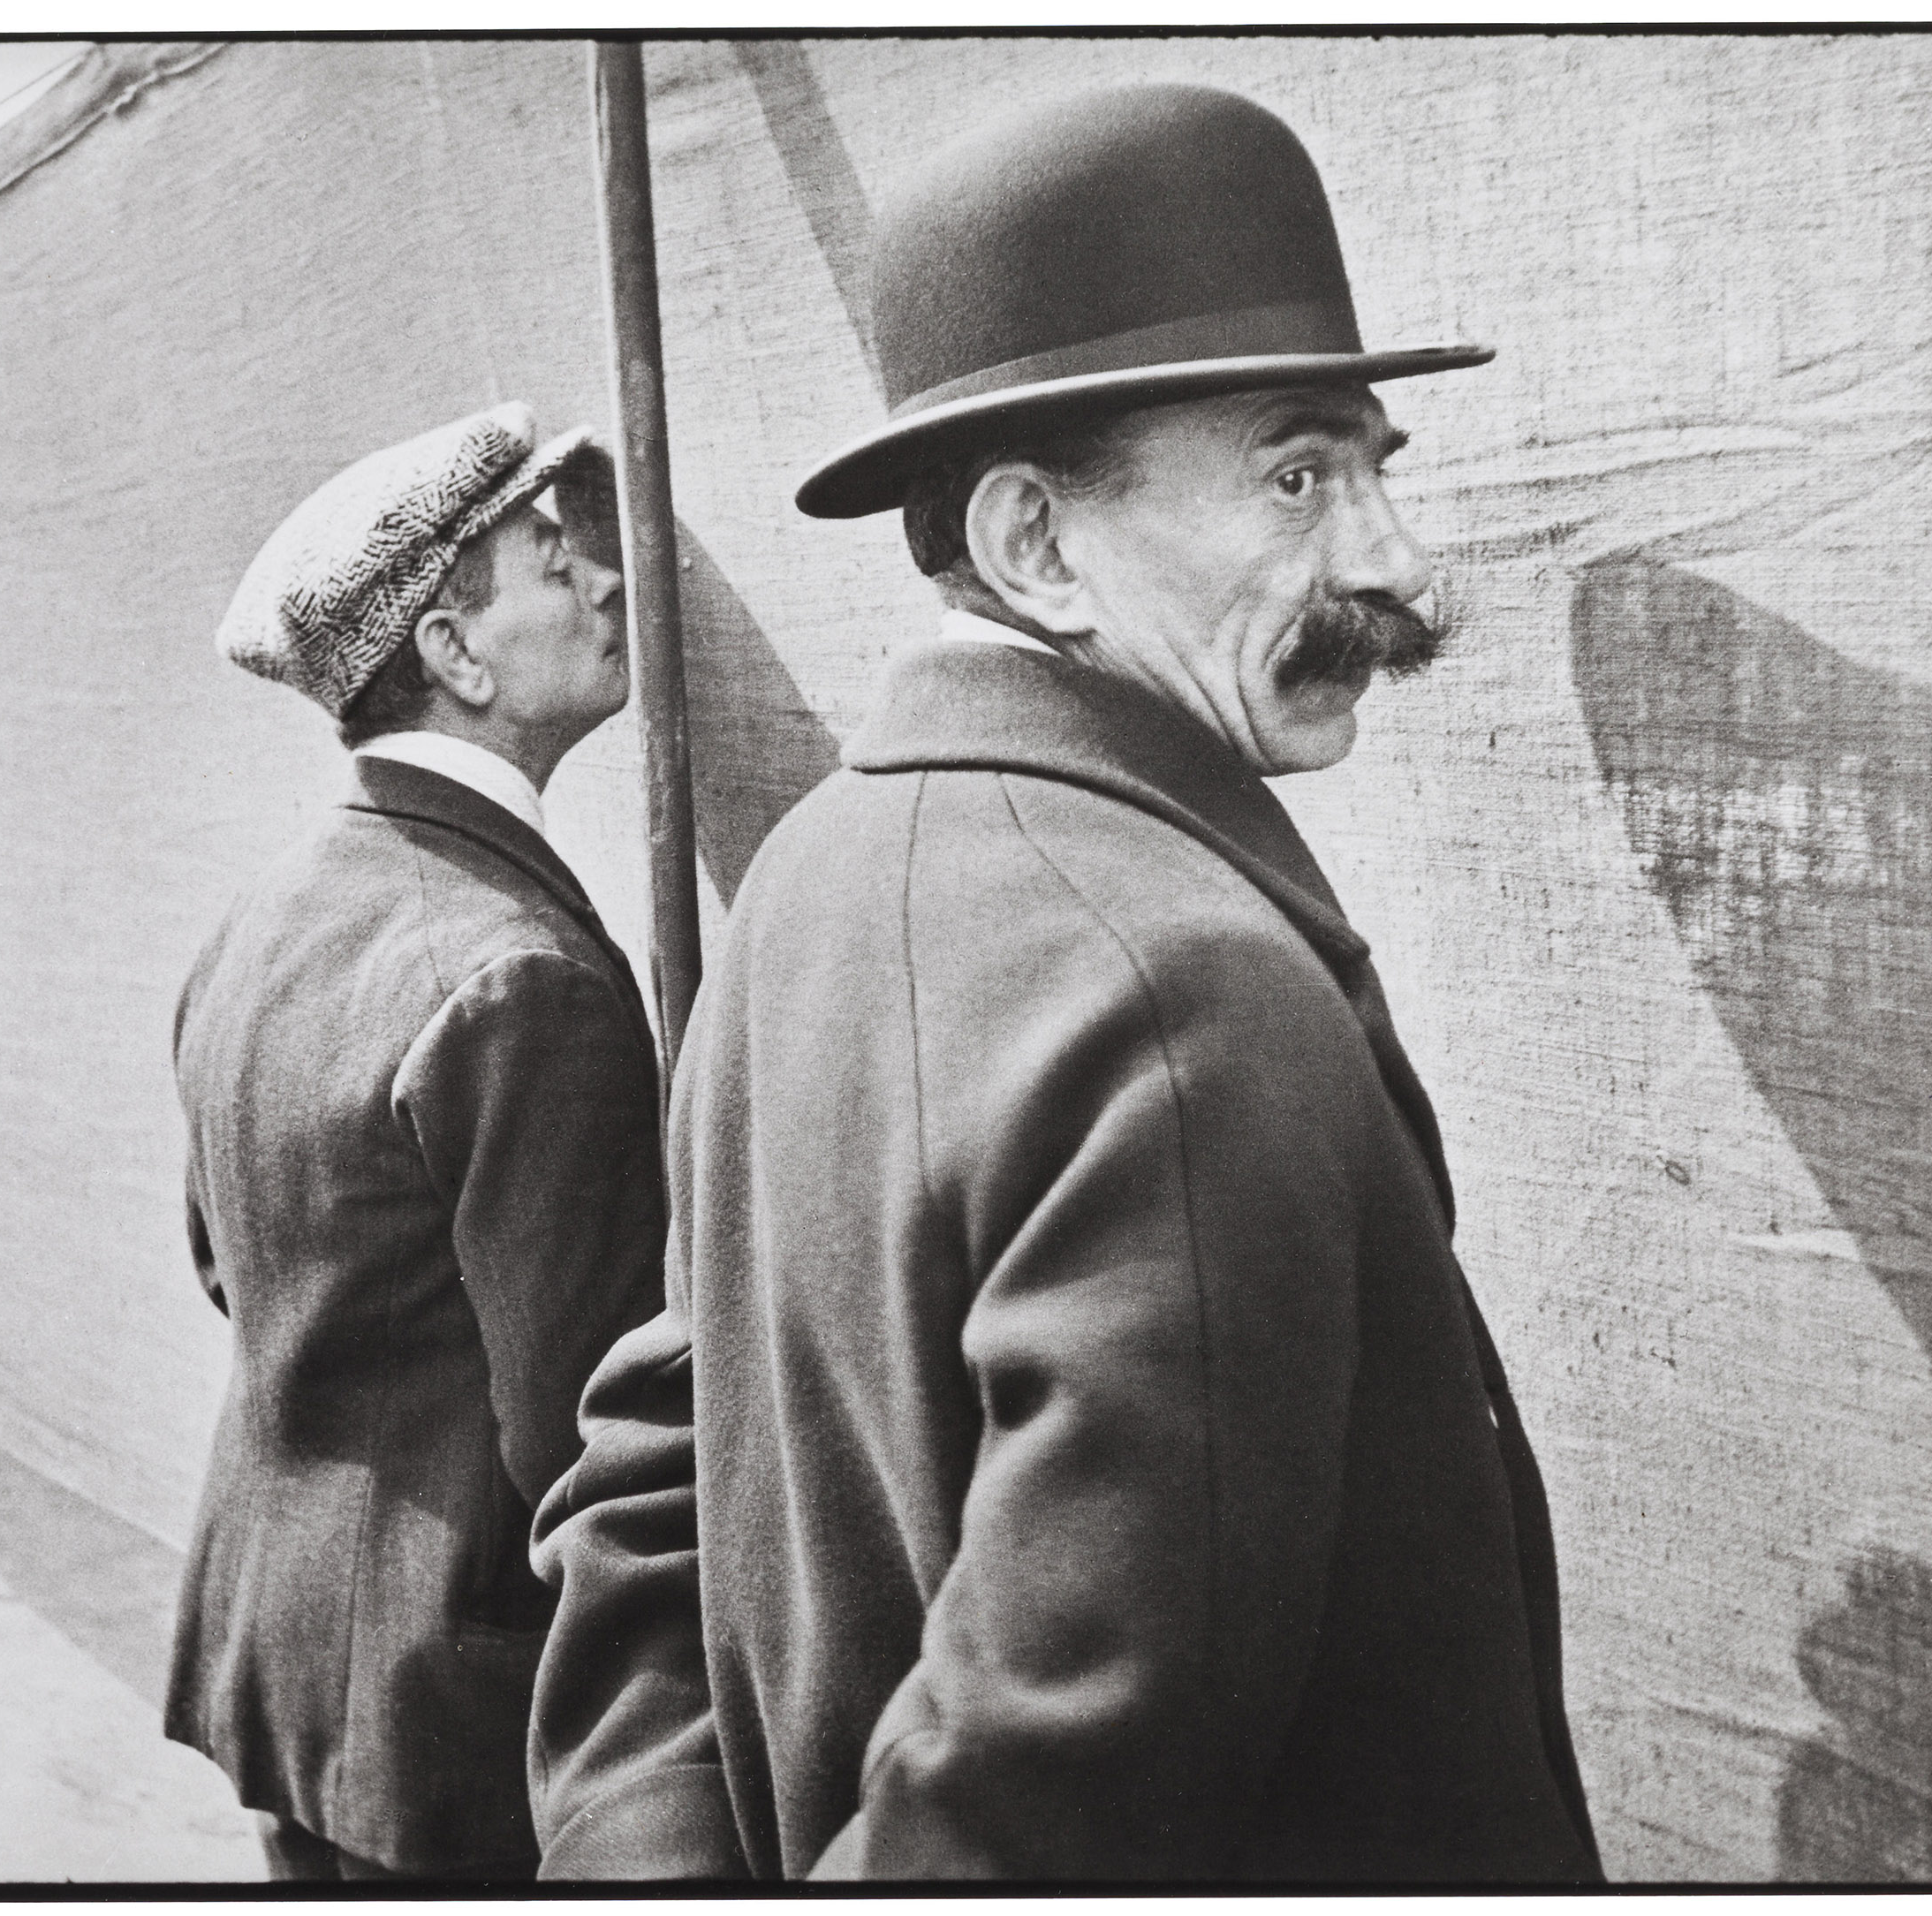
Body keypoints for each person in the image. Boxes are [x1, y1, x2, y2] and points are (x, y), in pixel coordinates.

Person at [527, 86, 1604, 1882]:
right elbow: (1048, 1790)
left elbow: (650, 1475)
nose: (1392, 563)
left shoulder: (803, 878)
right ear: (1034, 544)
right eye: (1291, 472)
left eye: (1373, 465)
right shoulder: (1188, 996)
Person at [169, 402, 663, 1881]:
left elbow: (224, 1261)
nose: (608, 583)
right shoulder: (520, 973)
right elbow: (582, 1421)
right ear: (454, 653)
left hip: (285, 1670)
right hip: (457, 1731)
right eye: (551, 558)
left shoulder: (258, 916)